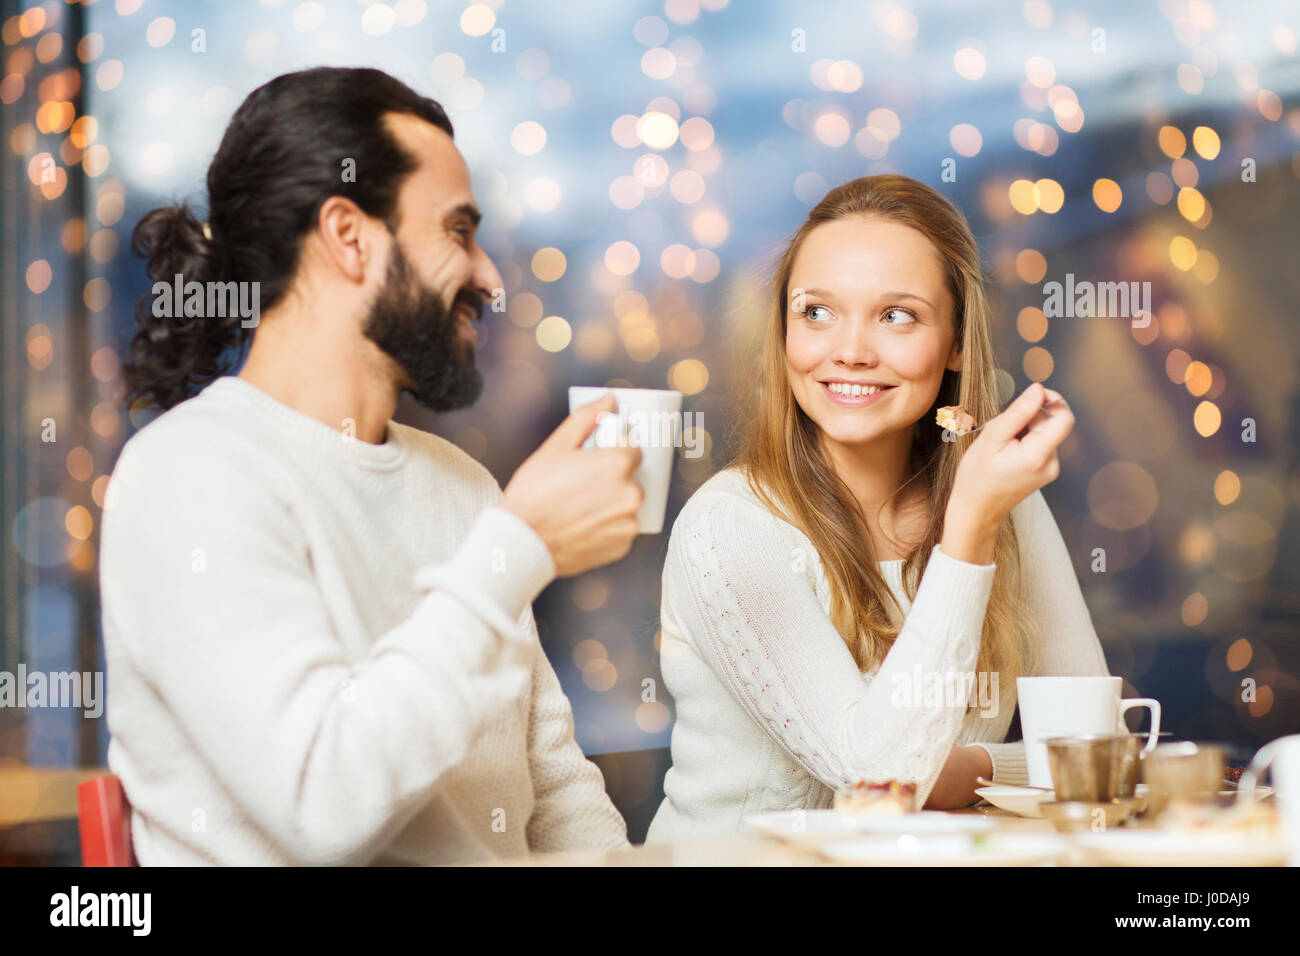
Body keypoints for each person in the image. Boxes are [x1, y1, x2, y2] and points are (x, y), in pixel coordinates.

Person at [99, 67, 644, 865]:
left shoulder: (461, 486)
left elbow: (555, 794)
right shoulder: (188, 475)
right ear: (349, 237)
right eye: (459, 232)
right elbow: (324, 805)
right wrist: (518, 546)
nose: (490, 280)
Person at [646, 175, 1110, 842]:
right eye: (816, 312)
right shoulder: (727, 531)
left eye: (897, 315)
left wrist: (969, 768)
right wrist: (968, 531)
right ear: (781, 332)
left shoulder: (999, 496)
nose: (853, 350)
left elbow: (1094, 749)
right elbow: (881, 778)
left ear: (954, 342)